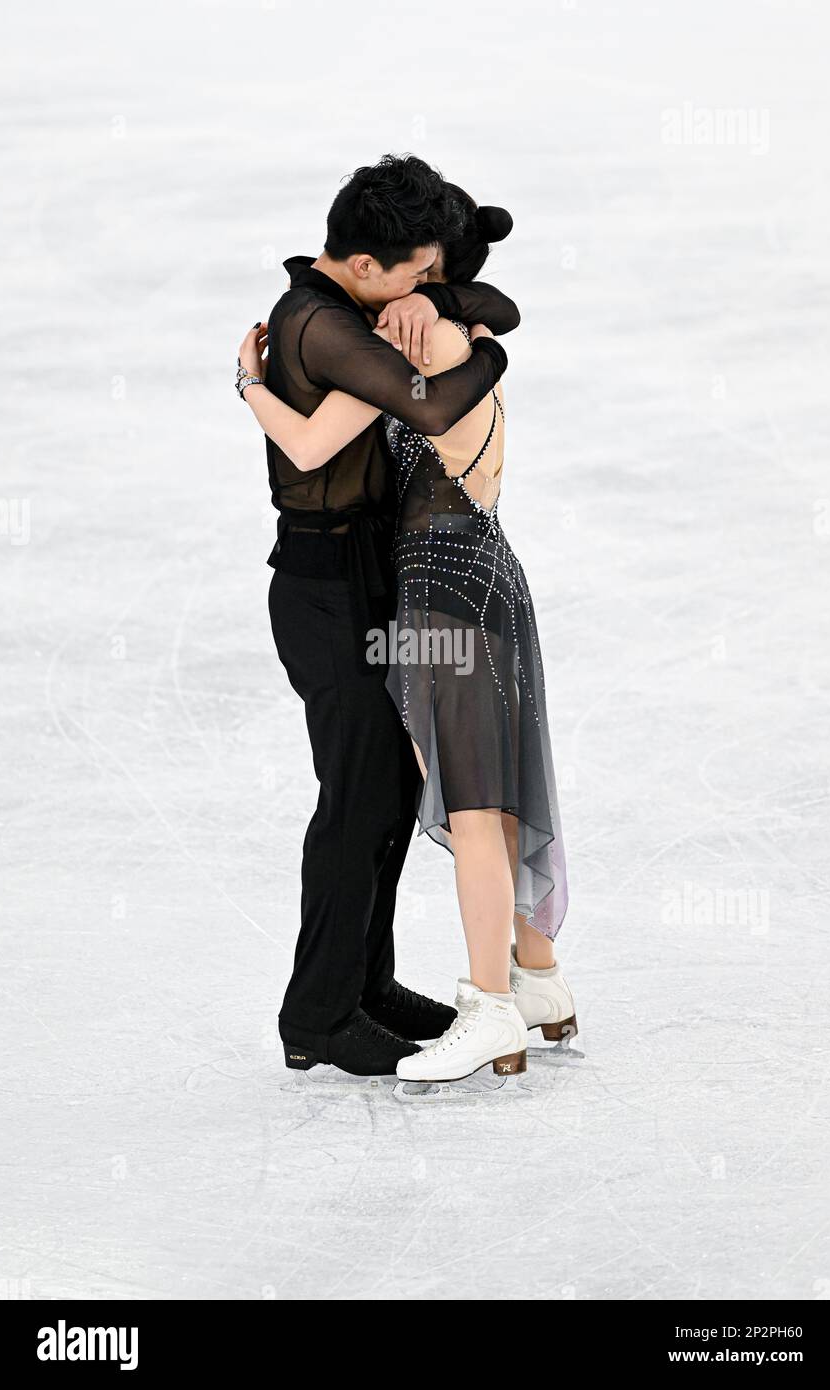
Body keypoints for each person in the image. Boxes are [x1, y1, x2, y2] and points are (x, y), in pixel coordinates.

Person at [238, 181, 577, 1089]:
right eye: (411, 272)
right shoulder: (342, 329)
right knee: (395, 797)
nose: (417, 285)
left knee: (422, 794)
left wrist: (449, 308)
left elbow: (334, 432)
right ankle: (328, 1013)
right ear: (368, 268)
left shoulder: (400, 323)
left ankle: (377, 986)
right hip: (361, 588)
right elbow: (323, 446)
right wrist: (486, 344)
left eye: (431, 271)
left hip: (425, 588)